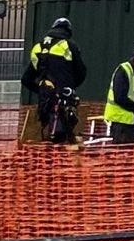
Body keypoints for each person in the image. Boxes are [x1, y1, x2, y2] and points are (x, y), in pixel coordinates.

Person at [22, 17, 88, 145]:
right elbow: (81, 72)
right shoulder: (68, 45)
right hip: (64, 101)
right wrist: (70, 88)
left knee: (45, 139)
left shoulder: (38, 47)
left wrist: (42, 90)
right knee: (63, 138)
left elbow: (26, 79)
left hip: (45, 103)